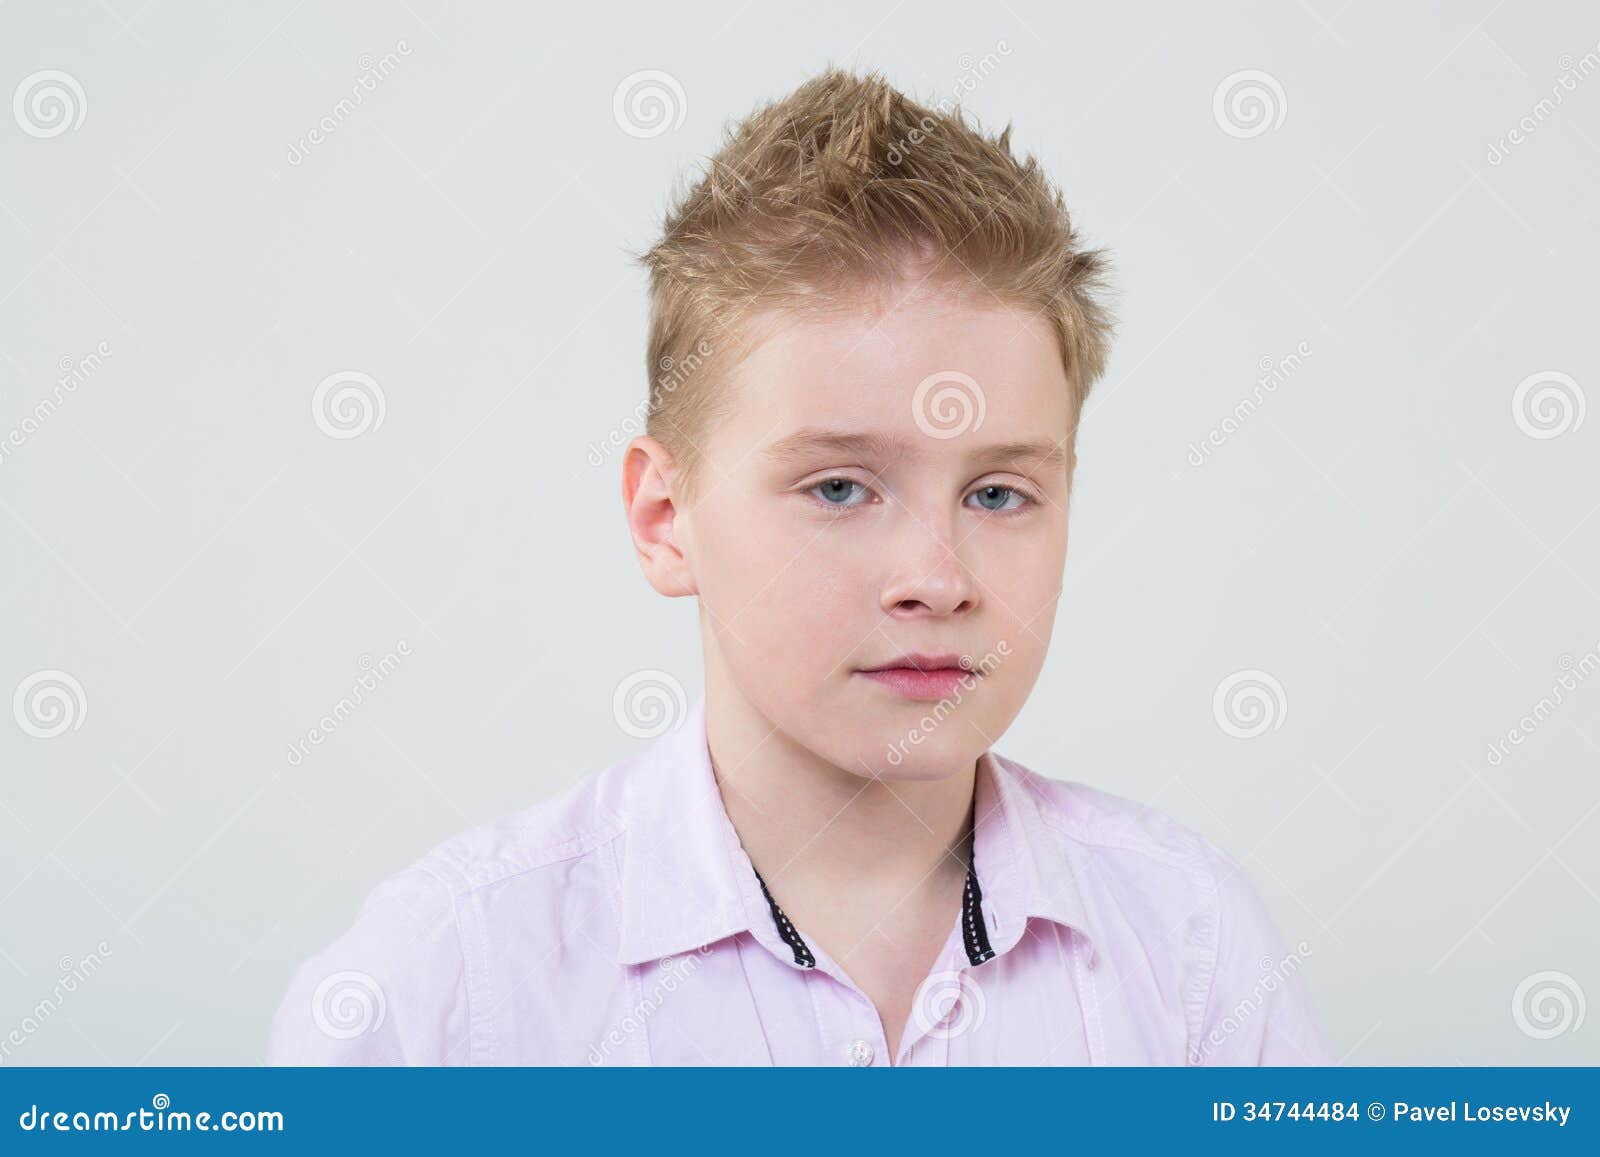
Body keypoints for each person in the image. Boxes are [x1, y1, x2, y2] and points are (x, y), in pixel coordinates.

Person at [267, 66, 1333, 1067]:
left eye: (998, 493)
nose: (937, 576)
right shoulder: (442, 992)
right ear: (664, 516)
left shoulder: (1190, 950)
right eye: (838, 487)